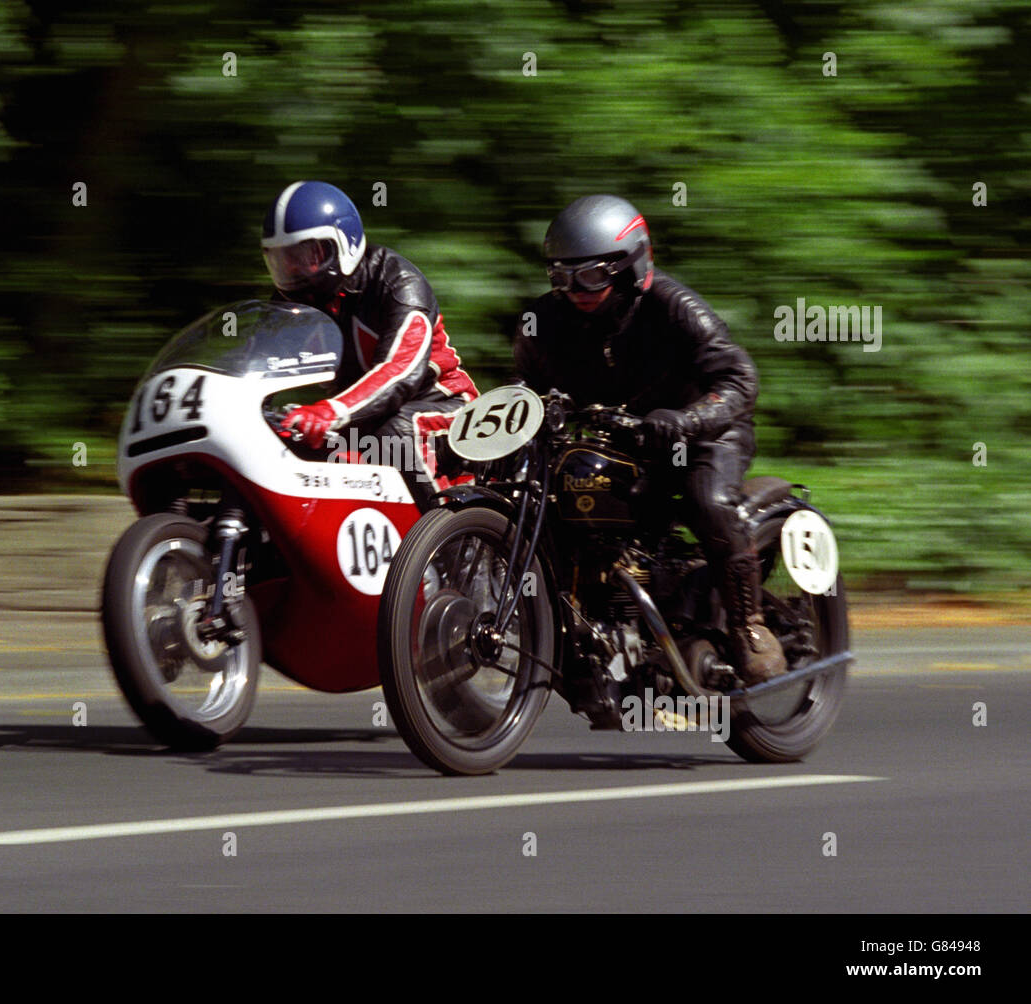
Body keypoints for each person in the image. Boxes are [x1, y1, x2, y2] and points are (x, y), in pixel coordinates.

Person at [512, 194, 785, 683]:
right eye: (561, 276)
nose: (575, 289)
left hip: (704, 433)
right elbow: (528, 389)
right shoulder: (543, 322)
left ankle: (748, 624)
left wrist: (684, 422)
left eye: (590, 275)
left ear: (629, 265)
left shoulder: (673, 307)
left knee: (708, 501)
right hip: (616, 439)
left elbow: (740, 379)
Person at [262, 180, 477, 507]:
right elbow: (262, 365)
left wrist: (329, 410)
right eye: (283, 260)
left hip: (447, 408)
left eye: (307, 255)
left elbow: (400, 373)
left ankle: (448, 546)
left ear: (343, 244)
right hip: (360, 419)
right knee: (284, 444)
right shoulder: (288, 304)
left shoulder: (398, 283)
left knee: (396, 434)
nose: (294, 271)